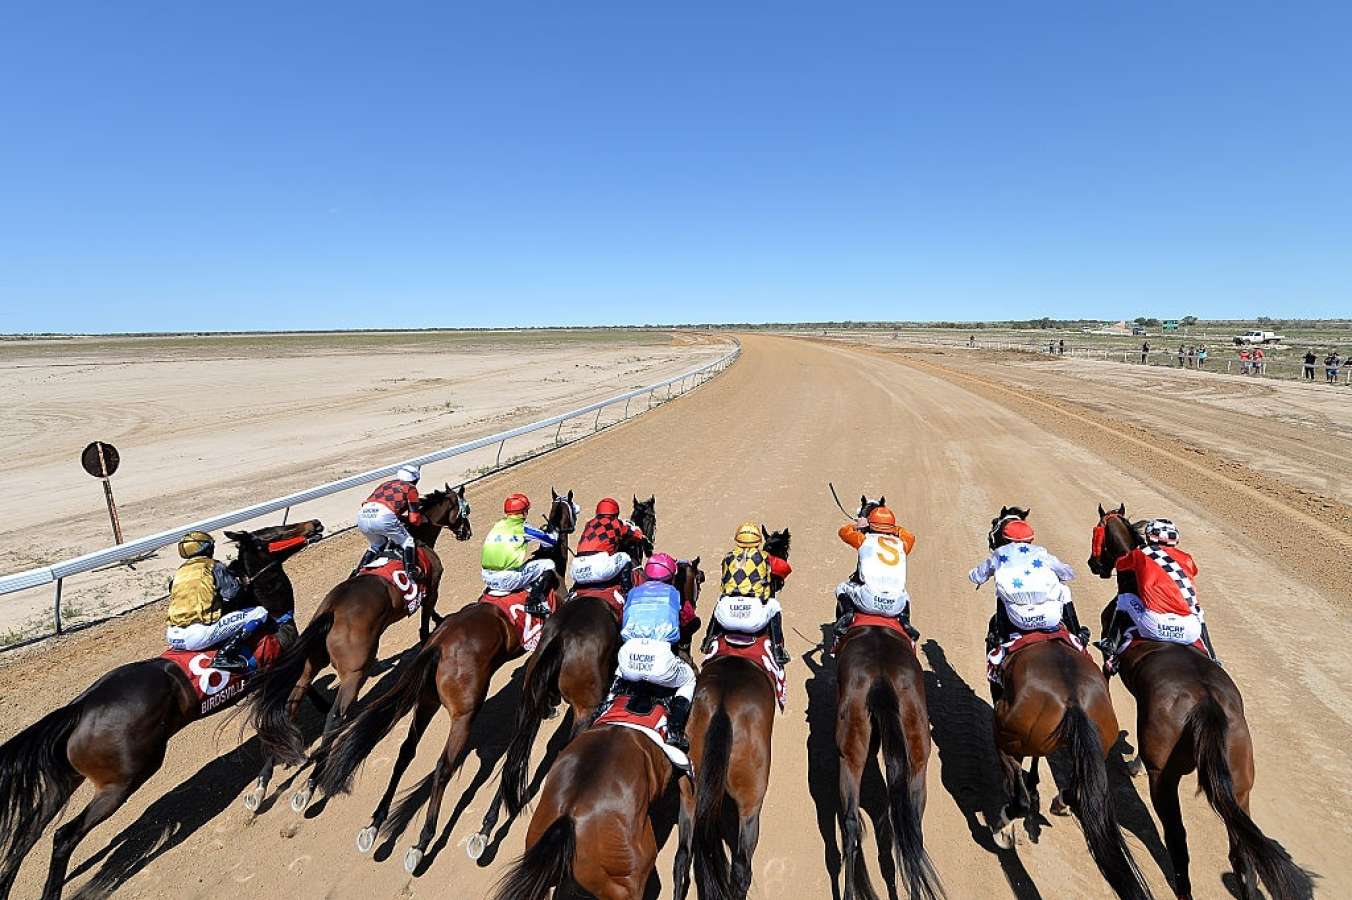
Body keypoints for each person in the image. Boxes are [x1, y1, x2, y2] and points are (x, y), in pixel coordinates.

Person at [1098, 519, 1219, 666]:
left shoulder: (1140, 553)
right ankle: (1212, 658)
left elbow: (1120, 565)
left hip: (1156, 626)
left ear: (1149, 536)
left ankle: (1110, 644)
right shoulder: (1188, 558)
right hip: (1190, 631)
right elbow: (1193, 571)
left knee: (1125, 597)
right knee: (1198, 611)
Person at [968, 515, 1086, 661]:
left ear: (1005, 539)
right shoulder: (1041, 553)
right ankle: (1077, 635)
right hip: (1051, 618)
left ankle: (1001, 644)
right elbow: (1068, 574)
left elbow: (977, 577)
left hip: (1017, 620)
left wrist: (974, 575)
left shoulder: (999, 555)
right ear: (1031, 539)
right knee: (1064, 590)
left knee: (1002, 595)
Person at [615, 553, 696, 751]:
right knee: (689, 679)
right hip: (660, 661)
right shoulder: (674, 594)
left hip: (629, 656)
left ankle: (604, 706)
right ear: (671, 576)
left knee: (618, 672)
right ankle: (675, 729)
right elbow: (688, 619)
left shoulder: (634, 592)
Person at [165, 530, 264, 672]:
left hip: (172, 637)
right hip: (196, 636)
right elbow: (234, 595)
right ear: (209, 549)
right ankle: (224, 655)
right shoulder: (213, 566)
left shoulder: (179, 572)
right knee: (260, 612)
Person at [704, 522, 792, 665]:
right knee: (774, 605)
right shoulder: (765, 557)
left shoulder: (728, 557)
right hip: (753, 616)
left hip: (727, 614)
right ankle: (777, 650)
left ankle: (708, 639)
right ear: (758, 540)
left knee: (720, 601)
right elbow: (783, 570)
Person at [832, 505, 919, 643]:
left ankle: (847, 615)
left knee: (841, 587)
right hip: (896, 605)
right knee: (905, 594)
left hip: (868, 600)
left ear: (871, 524)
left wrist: (859, 525)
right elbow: (911, 536)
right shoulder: (902, 544)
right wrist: (893, 528)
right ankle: (904, 621)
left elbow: (843, 532)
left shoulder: (863, 539)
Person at [481, 492, 559, 617]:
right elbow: (551, 541)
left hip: (487, 578)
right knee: (548, 564)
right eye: (526, 511)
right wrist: (553, 530)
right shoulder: (523, 528)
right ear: (523, 512)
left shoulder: (497, 525)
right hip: (507, 580)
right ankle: (534, 601)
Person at [355, 465, 424, 580]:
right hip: (383, 516)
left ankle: (358, 571)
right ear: (415, 480)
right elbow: (414, 520)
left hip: (362, 515)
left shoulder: (385, 484)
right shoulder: (410, 488)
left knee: (377, 545)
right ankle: (411, 572)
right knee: (408, 541)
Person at [570, 497, 645, 589]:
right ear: (615, 513)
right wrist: (639, 532)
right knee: (625, 557)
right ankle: (628, 592)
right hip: (600, 568)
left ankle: (572, 593)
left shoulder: (589, 524)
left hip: (576, 571)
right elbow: (637, 535)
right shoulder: (616, 523)